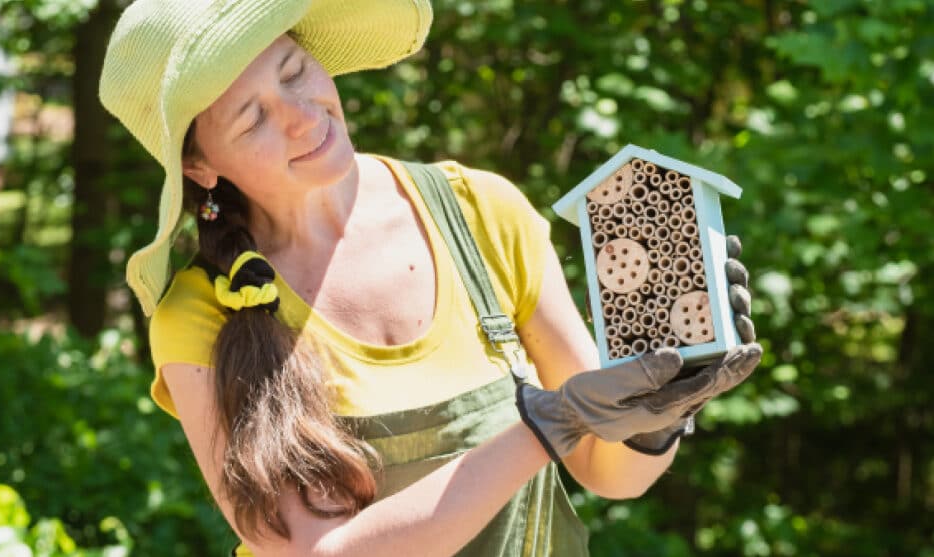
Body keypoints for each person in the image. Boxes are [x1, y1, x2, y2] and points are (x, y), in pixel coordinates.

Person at [99, 1, 762, 555]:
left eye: (295, 71)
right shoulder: (201, 315)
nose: (302, 115)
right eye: (253, 118)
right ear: (200, 166)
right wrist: (548, 424)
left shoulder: (480, 212)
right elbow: (321, 551)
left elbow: (607, 469)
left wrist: (658, 410)